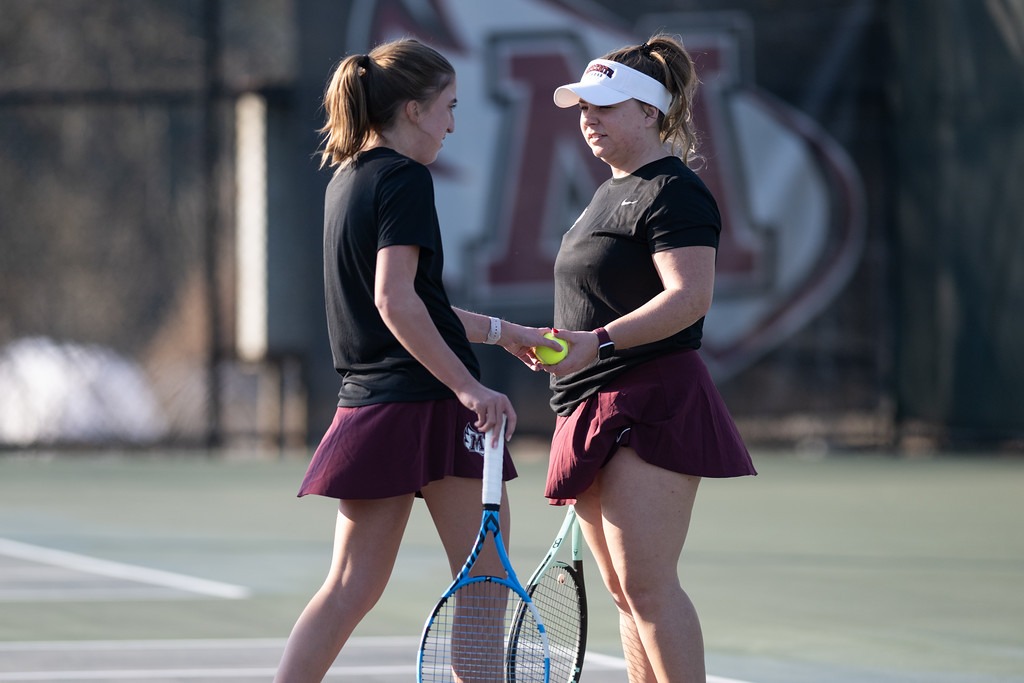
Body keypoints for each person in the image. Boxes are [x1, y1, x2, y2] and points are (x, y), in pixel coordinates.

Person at [273, 38, 558, 682]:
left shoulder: (347, 178)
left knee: (348, 586)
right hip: (428, 405)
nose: (453, 124)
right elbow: (395, 300)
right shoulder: (405, 177)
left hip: (371, 408)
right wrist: (467, 389)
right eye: (448, 108)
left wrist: (504, 331)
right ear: (413, 110)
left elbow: (415, 306)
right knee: (486, 589)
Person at [537, 34, 758, 682]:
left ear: (650, 112)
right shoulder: (606, 193)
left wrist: (596, 342)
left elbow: (689, 298)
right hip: (587, 401)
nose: (588, 118)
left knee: (649, 584)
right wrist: (557, 343)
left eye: (604, 105)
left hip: (649, 399)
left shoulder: (674, 191)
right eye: (582, 106)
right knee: (625, 591)